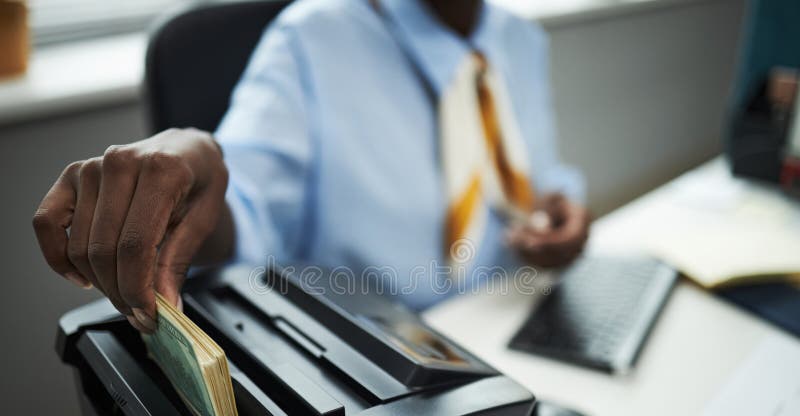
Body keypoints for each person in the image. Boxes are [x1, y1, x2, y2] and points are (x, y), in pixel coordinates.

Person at [32, 0, 589, 333]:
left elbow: (536, 174)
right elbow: (244, 210)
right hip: (395, 366)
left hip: (520, 314)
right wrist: (198, 182)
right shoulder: (312, 38)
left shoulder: (519, 39)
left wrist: (565, 210)